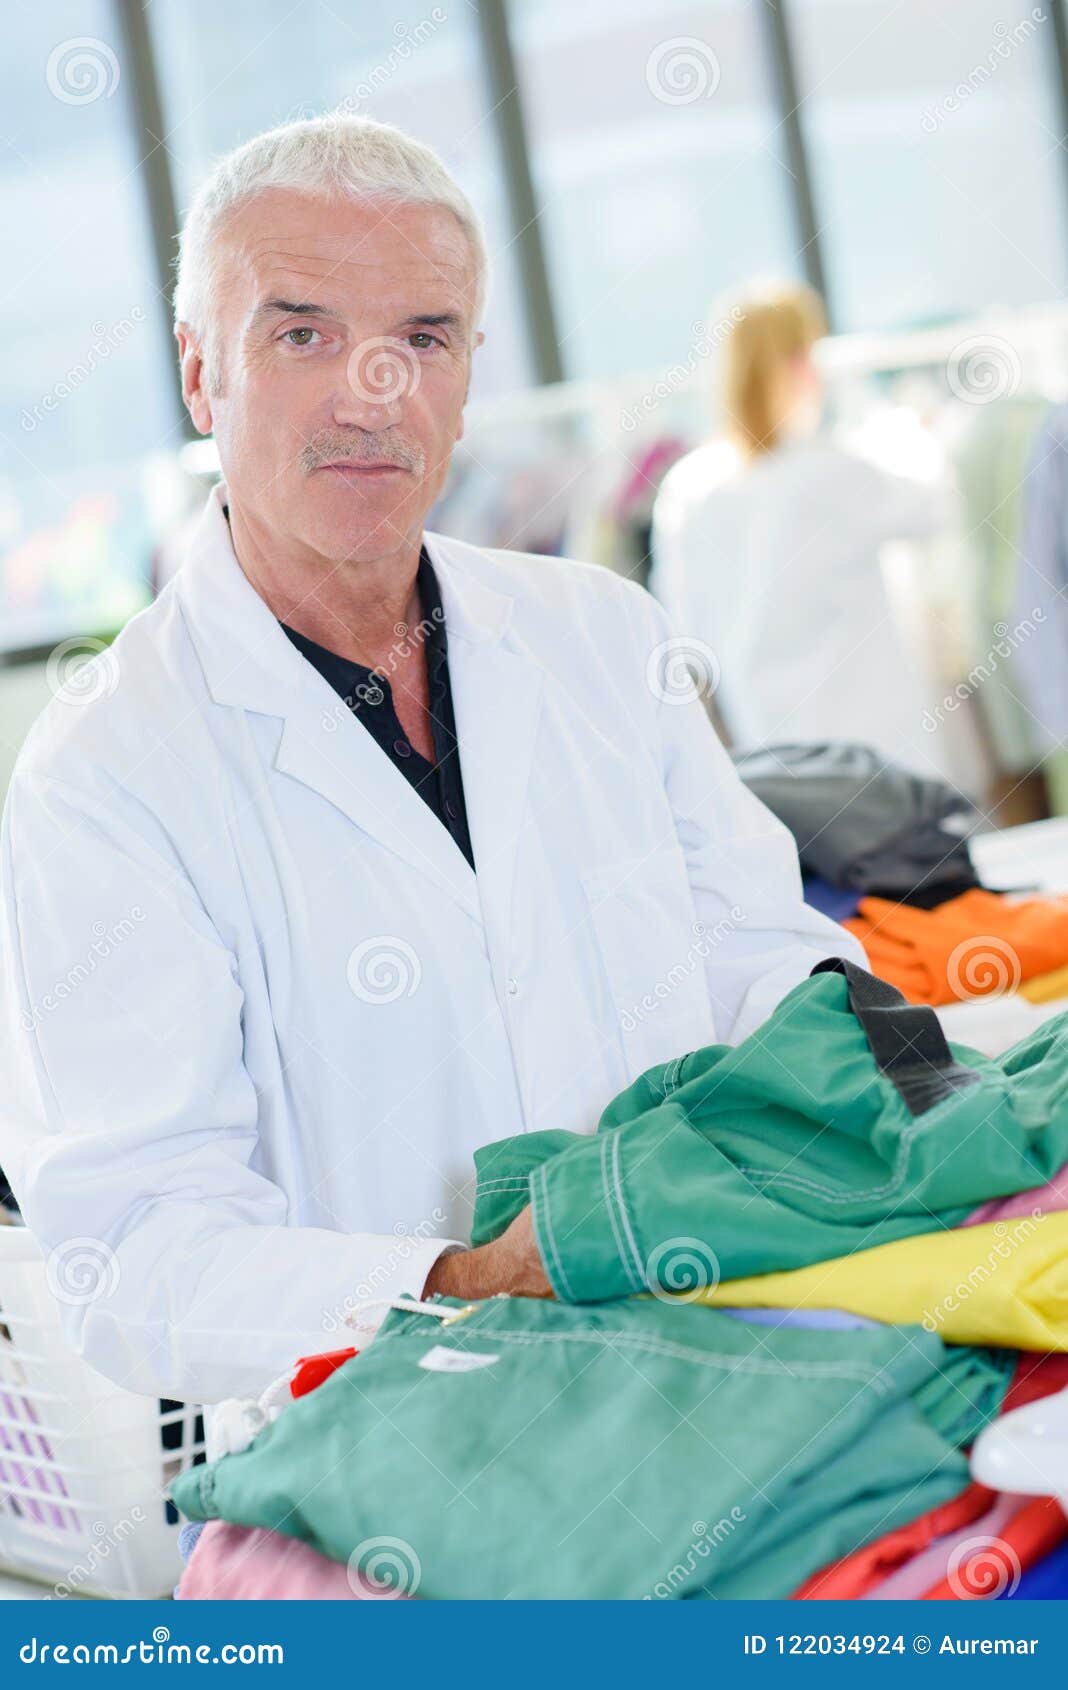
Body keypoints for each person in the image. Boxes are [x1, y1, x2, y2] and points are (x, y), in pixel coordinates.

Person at [0, 120, 861, 1408]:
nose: (373, 393)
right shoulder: (107, 770)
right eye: (302, 334)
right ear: (199, 374)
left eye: (422, 337)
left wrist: (888, 1084)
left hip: (715, 1358)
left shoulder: (602, 633)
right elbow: (130, 1252)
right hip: (389, 1440)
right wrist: (468, 1279)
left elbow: (763, 957)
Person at [650, 282, 952, 778]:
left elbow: (681, 624)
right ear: (801, 365)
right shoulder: (829, 474)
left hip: (772, 751)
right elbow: (932, 507)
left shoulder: (687, 489)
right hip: (877, 751)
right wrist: (910, 428)